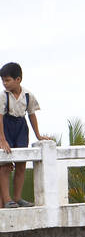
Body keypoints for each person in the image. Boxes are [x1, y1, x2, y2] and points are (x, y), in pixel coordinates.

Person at [0, 62, 51, 208]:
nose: (5, 83)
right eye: (3, 80)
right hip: (6, 126)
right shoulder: (3, 96)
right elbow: (0, 117)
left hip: (21, 127)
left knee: (21, 163)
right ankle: (7, 198)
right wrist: (2, 139)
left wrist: (39, 135)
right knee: (5, 164)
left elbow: (32, 115)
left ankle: (17, 197)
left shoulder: (28, 95)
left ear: (18, 79)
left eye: (8, 80)